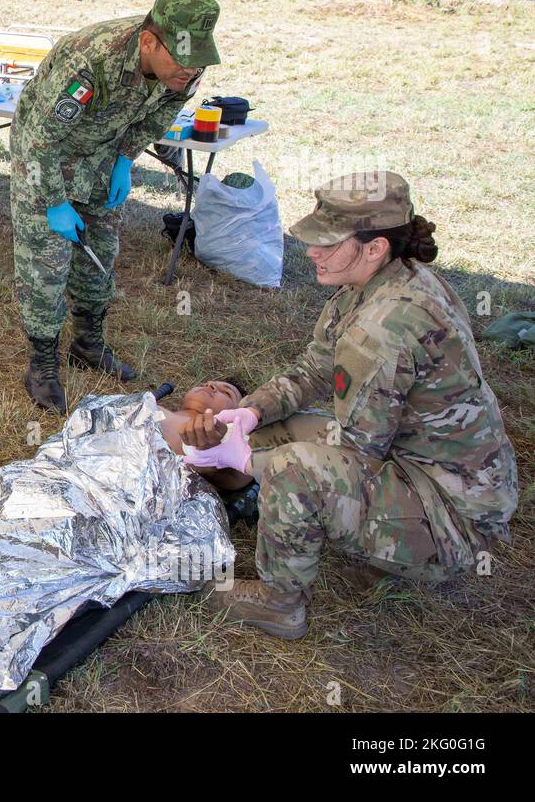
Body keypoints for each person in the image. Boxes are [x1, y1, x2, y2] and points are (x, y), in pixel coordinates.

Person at [181, 172, 519, 640]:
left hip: (455, 517)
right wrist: (253, 410)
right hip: (427, 470)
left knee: (293, 468)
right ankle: (379, 541)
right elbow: (315, 367)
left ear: (374, 246)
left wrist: (246, 461)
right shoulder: (385, 283)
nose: (311, 252)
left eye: (326, 242)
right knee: (286, 428)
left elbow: (359, 452)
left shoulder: (383, 327)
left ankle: (281, 604)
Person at [11, 0, 221, 412]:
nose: (192, 72)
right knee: (46, 262)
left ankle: (88, 343)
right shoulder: (92, 60)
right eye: (183, 62)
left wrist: (125, 157)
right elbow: (40, 139)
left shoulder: (186, 67)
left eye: (199, 62)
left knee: (99, 250)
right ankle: (42, 363)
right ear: (149, 42)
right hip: (47, 155)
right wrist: (54, 201)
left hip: (103, 156)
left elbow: (165, 110)